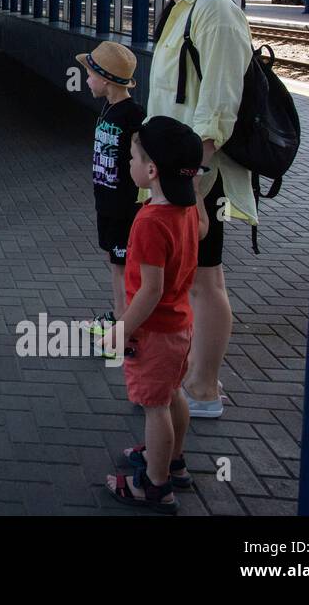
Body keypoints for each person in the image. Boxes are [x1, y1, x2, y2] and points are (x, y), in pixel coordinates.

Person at [146, 0, 255, 419]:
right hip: (172, 174)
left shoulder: (216, 13)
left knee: (206, 280)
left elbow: (217, 109)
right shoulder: (181, 9)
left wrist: (191, 183)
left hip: (198, 176)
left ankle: (205, 389)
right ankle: (181, 376)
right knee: (184, 279)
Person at [104, 116, 203, 514]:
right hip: (181, 325)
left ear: (151, 170)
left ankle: (155, 485)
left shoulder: (149, 221)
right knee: (172, 394)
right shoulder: (189, 211)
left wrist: (121, 330)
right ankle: (172, 460)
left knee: (154, 406)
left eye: (132, 157)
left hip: (155, 332)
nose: (128, 163)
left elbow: (150, 289)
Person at [76, 41, 144, 327]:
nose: (86, 80)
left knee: (123, 266)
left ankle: (126, 326)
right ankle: (121, 315)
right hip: (106, 202)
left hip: (124, 207)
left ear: (105, 79)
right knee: (115, 261)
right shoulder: (107, 108)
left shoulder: (134, 116)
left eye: (90, 74)